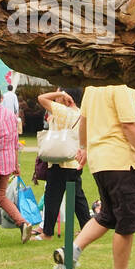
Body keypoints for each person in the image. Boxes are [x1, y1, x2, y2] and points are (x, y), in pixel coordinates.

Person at [54, 84, 135, 269]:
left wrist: (84, 148)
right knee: (127, 221)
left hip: (99, 162)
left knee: (107, 215)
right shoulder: (124, 87)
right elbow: (130, 125)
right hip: (121, 161)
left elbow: (83, 121)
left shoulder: (92, 87)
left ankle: (71, 252)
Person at [0, 81, 42, 245]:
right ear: (1, 96)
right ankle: (23, 222)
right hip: (8, 162)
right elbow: (14, 141)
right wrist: (16, 165)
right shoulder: (10, 115)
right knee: (0, 197)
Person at [37, 88, 92, 242]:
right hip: (74, 160)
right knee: (77, 197)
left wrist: (60, 94)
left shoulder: (62, 110)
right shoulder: (81, 113)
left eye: (59, 95)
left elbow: (41, 98)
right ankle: (86, 228)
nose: (56, 98)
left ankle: (47, 232)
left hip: (58, 160)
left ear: (68, 98)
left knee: (52, 197)